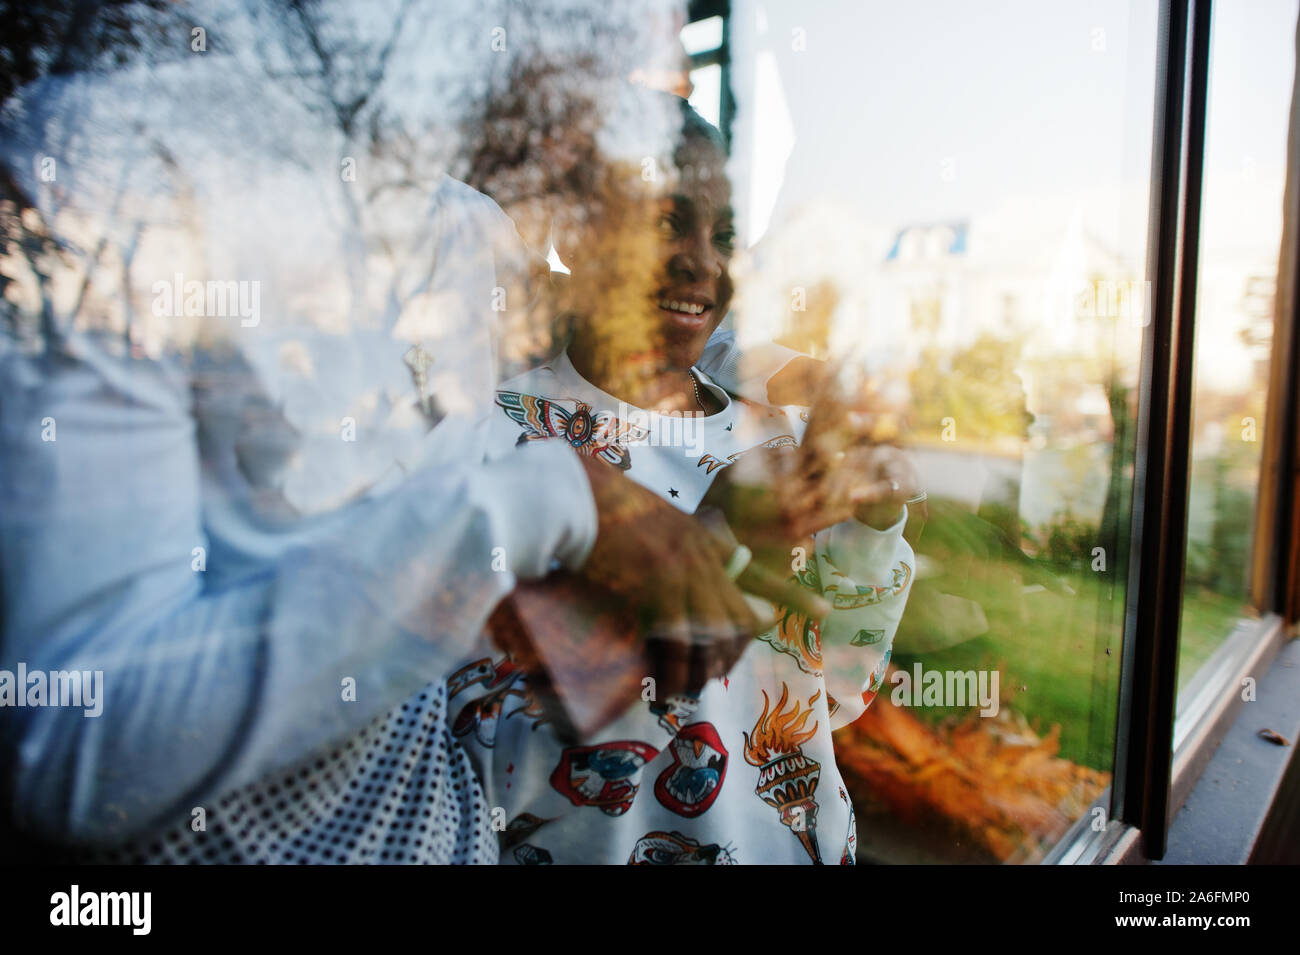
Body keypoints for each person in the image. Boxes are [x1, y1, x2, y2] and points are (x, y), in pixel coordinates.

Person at [0, 4, 805, 864]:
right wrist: (558, 503)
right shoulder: (108, 173)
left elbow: (625, 342)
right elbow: (77, 753)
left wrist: (776, 403)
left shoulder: (473, 238)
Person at [446, 92, 918, 864]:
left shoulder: (782, 438)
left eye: (723, 234)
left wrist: (872, 527)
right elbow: (476, 744)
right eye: (667, 221)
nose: (702, 258)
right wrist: (715, 544)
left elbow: (835, 696)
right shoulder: (496, 442)